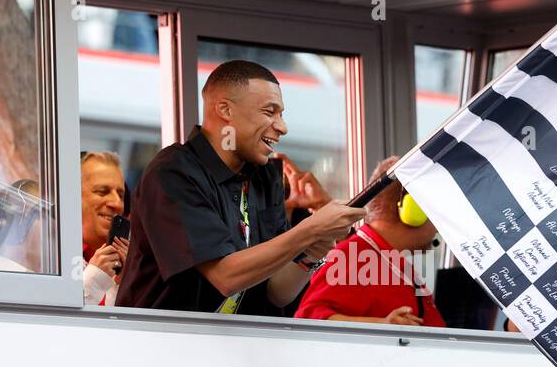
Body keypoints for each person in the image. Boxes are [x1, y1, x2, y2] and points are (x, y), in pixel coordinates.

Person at [116, 60, 373, 314]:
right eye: (269, 111)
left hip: (235, 348)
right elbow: (225, 277)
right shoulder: (174, 171)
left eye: (281, 114)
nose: (282, 127)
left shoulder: (265, 177)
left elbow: (275, 293)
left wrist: (309, 254)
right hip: (159, 347)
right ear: (226, 110)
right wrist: (311, 229)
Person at [295, 159, 446, 327]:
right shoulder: (356, 257)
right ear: (415, 209)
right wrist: (383, 325)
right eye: (435, 210)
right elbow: (307, 318)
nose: (440, 226)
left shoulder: (386, 259)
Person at [80, 150, 129, 306]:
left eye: (121, 195)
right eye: (102, 192)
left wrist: (121, 283)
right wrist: (94, 279)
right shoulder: (49, 259)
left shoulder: (130, 265)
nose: (117, 203)